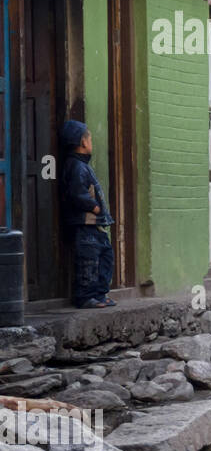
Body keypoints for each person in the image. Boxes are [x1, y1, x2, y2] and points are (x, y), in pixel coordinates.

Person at [59, 120, 116, 309]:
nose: (91, 141)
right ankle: (86, 297)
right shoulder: (76, 166)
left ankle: (100, 293)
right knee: (88, 261)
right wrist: (95, 207)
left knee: (105, 256)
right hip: (86, 224)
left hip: (95, 225)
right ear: (83, 142)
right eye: (89, 137)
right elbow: (77, 193)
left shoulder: (82, 165)